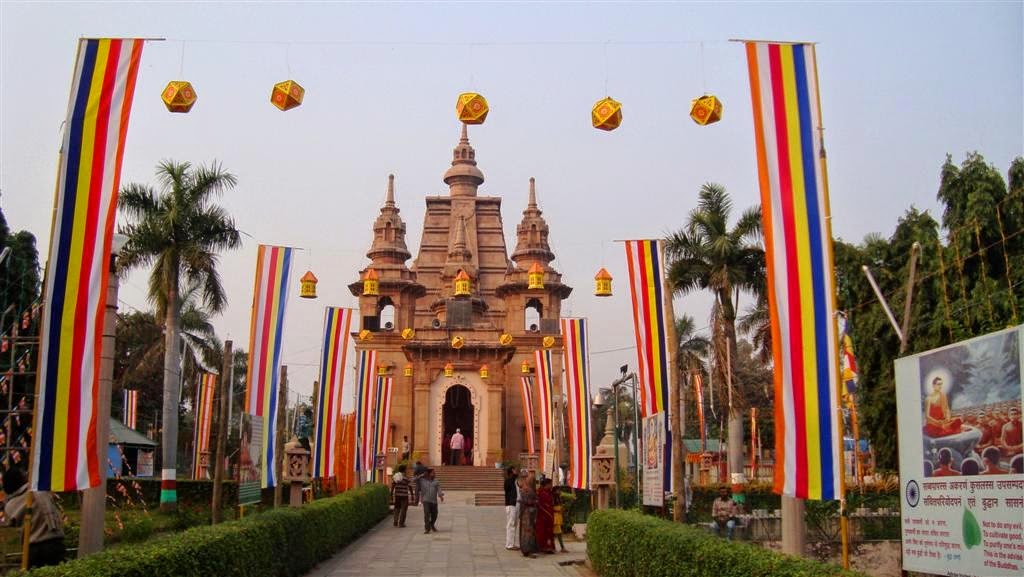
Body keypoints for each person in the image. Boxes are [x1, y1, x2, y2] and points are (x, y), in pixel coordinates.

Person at [3, 467, 65, 568]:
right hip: (52, 544)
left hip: (30, 549)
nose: (27, 473)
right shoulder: (37, 491)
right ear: (19, 478)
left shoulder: (9, 506)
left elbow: (11, 524)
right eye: (23, 473)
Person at [518, 470, 539, 558]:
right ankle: (527, 550)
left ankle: (527, 549)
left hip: (526, 513)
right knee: (528, 532)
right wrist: (536, 501)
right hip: (528, 513)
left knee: (527, 532)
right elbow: (527, 501)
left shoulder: (525, 488)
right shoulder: (527, 490)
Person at [417, 468, 444, 533]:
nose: (434, 474)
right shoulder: (422, 480)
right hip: (426, 500)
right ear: (428, 474)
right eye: (433, 473)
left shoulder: (436, 481)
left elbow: (439, 489)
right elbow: (413, 480)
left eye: (435, 473)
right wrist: (421, 475)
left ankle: (432, 524)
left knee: (435, 514)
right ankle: (427, 528)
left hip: (434, 501)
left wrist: (440, 496)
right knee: (427, 514)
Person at [536, 478, 555, 553]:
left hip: (549, 515)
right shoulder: (541, 492)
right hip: (542, 516)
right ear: (547, 484)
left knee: (549, 531)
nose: (551, 485)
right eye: (550, 484)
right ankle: (543, 547)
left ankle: (549, 547)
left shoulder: (549, 492)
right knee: (542, 532)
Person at [504, 466, 519, 550]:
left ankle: (512, 543)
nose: (516, 471)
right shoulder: (508, 480)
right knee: (510, 524)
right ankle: (509, 544)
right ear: (511, 472)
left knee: (514, 524)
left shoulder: (514, 481)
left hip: (515, 504)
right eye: (514, 470)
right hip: (510, 504)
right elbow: (514, 477)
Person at [552, 486, 568, 553]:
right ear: (555, 491)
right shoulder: (553, 498)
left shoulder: (558, 497)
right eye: (558, 490)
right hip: (555, 517)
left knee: (557, 533)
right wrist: (558, 511)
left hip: (558, 517)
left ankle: (559, 547)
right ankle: (562, 547)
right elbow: (551, 507)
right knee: (558, 533)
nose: (559, 492)